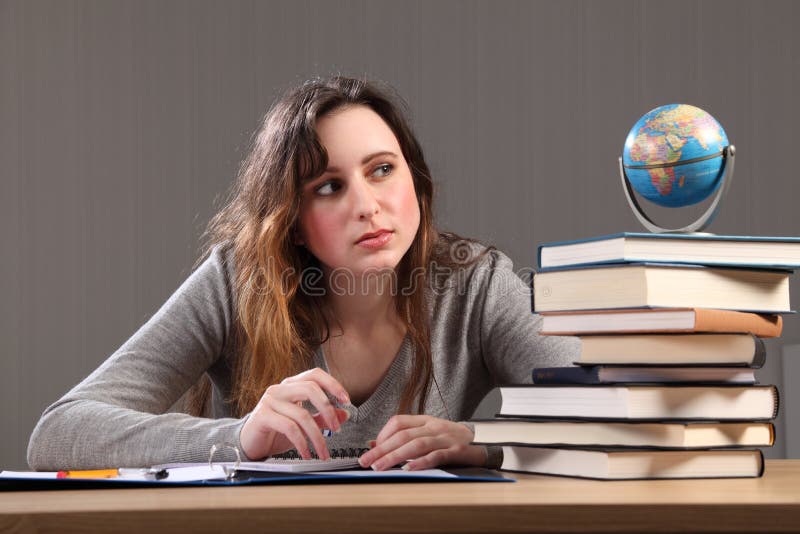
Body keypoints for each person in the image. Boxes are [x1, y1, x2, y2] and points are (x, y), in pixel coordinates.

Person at [27, 75, 579, 471]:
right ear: (291, 222)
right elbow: (59, 432)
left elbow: (619, 420)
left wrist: (481, 443)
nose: (368, 206)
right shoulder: (238, 282)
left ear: (416, 181)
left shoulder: (475, 284)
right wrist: (242, 437)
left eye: (382, 170)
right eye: (329, 187)